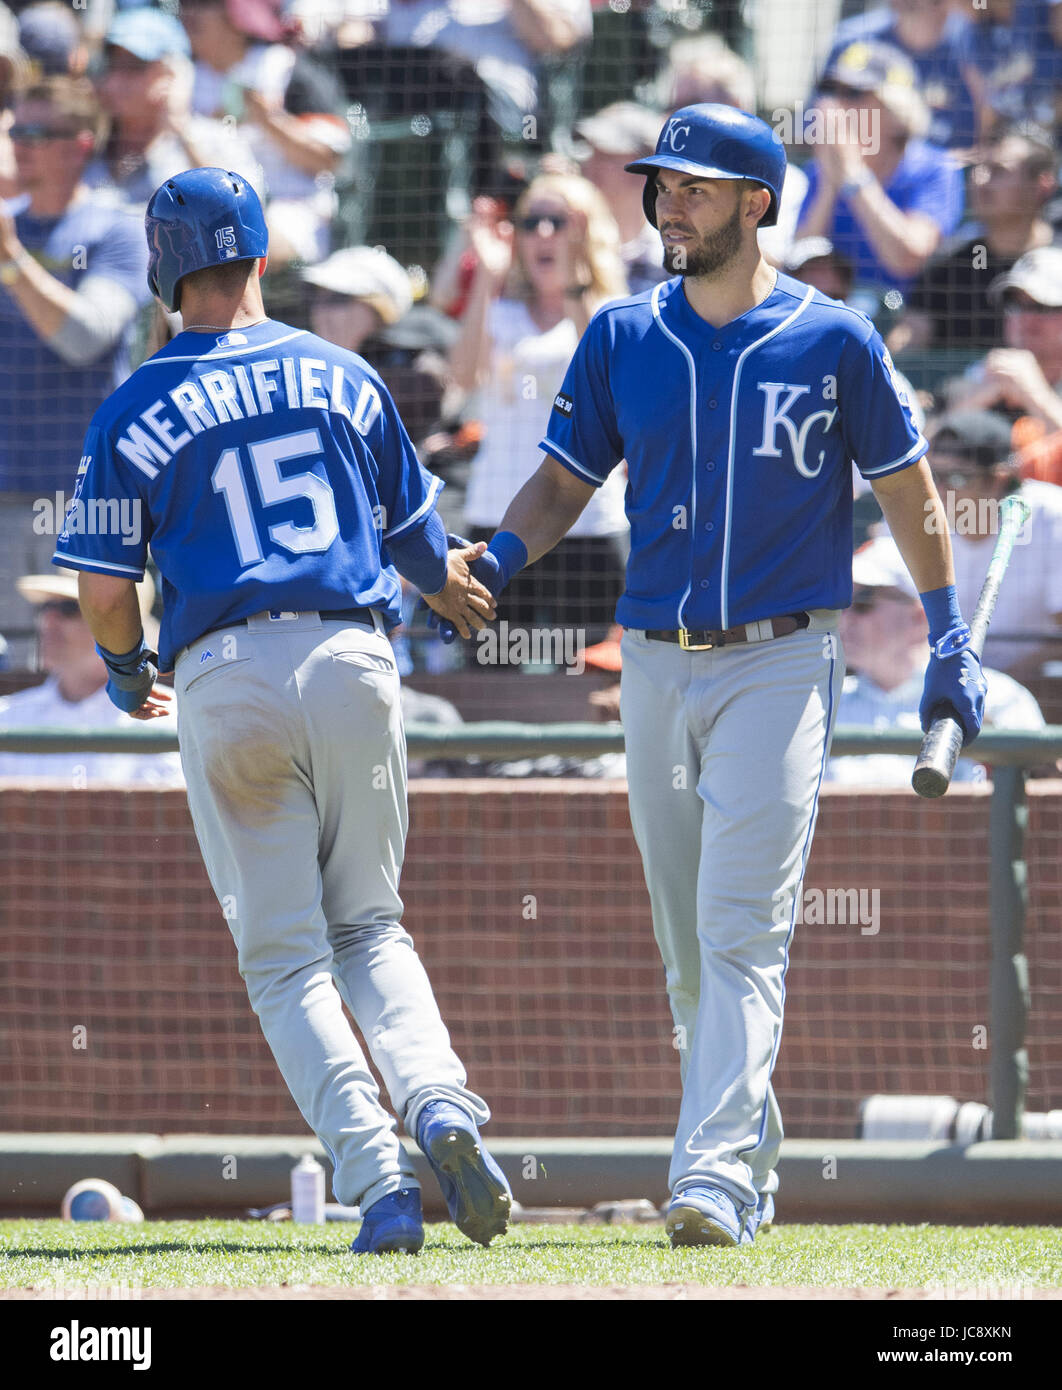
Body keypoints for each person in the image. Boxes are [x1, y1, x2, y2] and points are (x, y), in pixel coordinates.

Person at [449, 104, 985, 1246]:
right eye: (661, 185)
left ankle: (711, 1179)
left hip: (784, 658)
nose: (669, 203)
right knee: (690, 954)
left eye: (694, 186)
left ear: (759, 202)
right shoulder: (622, 334)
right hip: (652, 659)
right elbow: (560, 481)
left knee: (742, 929)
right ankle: (751, 1154)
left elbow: (912, 495)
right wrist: (491, 557)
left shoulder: (835, 338)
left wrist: (949, 640)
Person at [52, 166, 511, 1256]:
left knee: (288, 957)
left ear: (165, 277)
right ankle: (439, 1100)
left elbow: (105, 589)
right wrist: (454, 586)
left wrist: (124, 671)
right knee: (371, 924)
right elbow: (418, 550)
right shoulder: (346, 374)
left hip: (225, 671)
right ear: (264, 257)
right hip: (356, 653)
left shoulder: (132, 407)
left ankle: (378, 1179)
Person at [0, 75, 148, 664]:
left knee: (88, 670)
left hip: (83, 499)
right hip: (4, 493)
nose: (20, 143)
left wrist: (11, 260)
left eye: (38, 132)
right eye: (15, 129)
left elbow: (85, 337)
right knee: (10, 675)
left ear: (81, 143)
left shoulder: (116, 230)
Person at [450, 170, 629, 646]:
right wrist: (487, 277)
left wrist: (575, 288)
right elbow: (461, 377)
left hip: (588, 522)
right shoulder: (500, 310)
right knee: (493, 677)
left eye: (559, 221)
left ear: (589, 231)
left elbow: (619, 382)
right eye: (531, 221)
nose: (543, 234)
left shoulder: (614, 310)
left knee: (594, 676)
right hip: (499, 518)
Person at [826, 535, 1045, 786]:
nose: (844, 619)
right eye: (841, 603)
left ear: (919, 617)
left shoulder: (997, 698)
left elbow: (1040, 795)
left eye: (863, 603)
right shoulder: (823, 701)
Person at [180, 0, 351, 265]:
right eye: (186, 4)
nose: (189, 13)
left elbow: (328, 160)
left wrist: (269, 121)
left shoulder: (289, 69)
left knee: (233, 247)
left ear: (238, 17)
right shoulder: (181, 75)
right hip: (206, 208)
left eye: (205, 4)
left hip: (291, 211)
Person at [796, 39, 963, 302]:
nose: (836, 106)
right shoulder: (818, 171)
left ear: (896, 108)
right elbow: (799, 267)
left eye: (852, 93)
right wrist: (830, 182)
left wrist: (854, 176)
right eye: (832, 92)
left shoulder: (935, 168)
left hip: (907, 322)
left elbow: (907, 258)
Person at [0, 568, 184, 786]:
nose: (48, 620)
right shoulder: (7, 717)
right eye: (45, 607)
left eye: (69, 608)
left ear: (122, 629)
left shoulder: (173, 720)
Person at [919, 410, 1062, 684]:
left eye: (957, 477)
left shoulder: (1053, 516)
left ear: (999, 477)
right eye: (933, 474)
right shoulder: (915, 512)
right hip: (936, 686)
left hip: (1033, 692)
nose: (938, 489)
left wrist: (994, 688)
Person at [893, 123, 1059, 352]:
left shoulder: (1057, 257)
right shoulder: (951, 265)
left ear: (1042, 186)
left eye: (998, 170)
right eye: (978, 169)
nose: (980, 181)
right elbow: (909, 340)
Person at [86, 7, 263, 210]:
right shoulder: (86, 141)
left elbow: (243, 213)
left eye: (134, 66)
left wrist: (180, 125)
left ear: (173, 74)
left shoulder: (215, 139)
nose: (116, 79)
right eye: (112, 65)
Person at [820, 0, 976, 150]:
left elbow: (982, 142)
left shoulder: (976, 44)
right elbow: (814, 125)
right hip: (860, 163)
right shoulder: (852, 40)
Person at [573, 101, 668, 295]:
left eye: (606, 157)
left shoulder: (675, 248)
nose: (589, 164)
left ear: (645, 167)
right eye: (591, 152)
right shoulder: (570, 240)